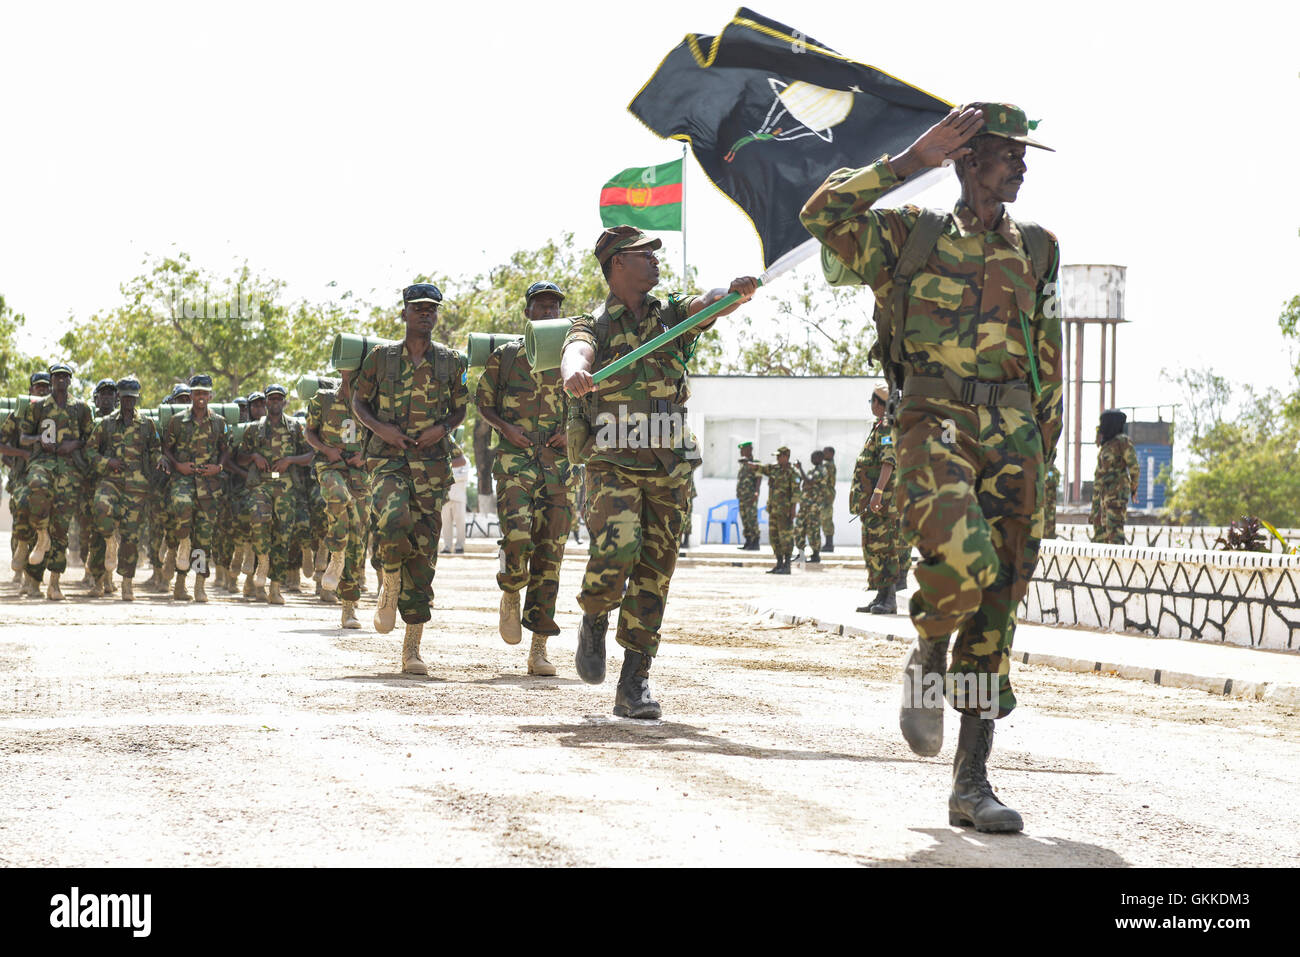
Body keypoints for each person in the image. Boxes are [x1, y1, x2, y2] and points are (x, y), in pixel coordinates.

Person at [802, 103, 1062, 832]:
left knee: (998, 599)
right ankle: (926, 646)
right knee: (961, 559)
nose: (1021, 165)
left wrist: (1048, 447)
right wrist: (907, 161)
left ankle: (972, 782)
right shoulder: (907, 236)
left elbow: (1049, 358)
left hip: (1015, 433)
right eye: (1007, 152)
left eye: (1021, 154)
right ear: (966, 157)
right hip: (935, 418)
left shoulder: (1038, 249)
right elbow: (821, 215)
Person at [562, 225, 757, 718]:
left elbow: (706, 304)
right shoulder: (594, 325)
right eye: (644, 253)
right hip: (613, 462)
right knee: (617, 552)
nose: (654, 259)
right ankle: (594, 615)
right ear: (617, 264)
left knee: (655, 571)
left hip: (668, 467)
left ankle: (634, 682)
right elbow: (576, 352)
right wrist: (575, 374)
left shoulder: (668, 312)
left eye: (655, 252)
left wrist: (730, 294)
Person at [352, 282, 468, 674]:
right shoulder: (380, 359)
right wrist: (381, 430)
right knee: (392, 518)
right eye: (417, 308)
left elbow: (459, 410)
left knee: (424, 555)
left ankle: (412, 648)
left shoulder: (451, 362)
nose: (425, 314)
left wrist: (442, 430)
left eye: (431, 309)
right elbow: (358, 402)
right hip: (387, 458)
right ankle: (387, 577)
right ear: (403, 313)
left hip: (432, 465)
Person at [476, 281, 573, 675]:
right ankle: (511, 588)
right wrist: (505, 429)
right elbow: (483, 402)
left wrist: (571, 432)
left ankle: (539, 650)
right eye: (541, 306)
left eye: (554, 308)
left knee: (551, 555)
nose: (548, 312)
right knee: (516, 537)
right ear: (528, 312)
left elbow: (593, 403)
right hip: (515, 458)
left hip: (558, 466)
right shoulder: (507, 355)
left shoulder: (575, 357)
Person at [13, 363, 94, 600]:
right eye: (57, 376)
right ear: (51, 380)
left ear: (70, 381)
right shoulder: (38, 407)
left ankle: (54, 583)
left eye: (64, 377)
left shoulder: (81, 408)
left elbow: (91, 439)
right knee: (36, 490)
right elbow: (23, 437)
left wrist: (75, 444)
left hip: (69, 470)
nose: (60, 380)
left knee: (60, 528)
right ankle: (39, 539)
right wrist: (39, 437)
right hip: (42, 463)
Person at [304, 367, 370, 629]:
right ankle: (336, 553)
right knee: (337, 496)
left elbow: (380, 436)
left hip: (360, 472)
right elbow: (309, 432)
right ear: (341, 372)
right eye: (348, 372)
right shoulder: (323, 399)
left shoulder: (371, 403)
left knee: (358, 533)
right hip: (329, 466)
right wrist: (326, 450)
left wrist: (364, 457)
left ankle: (349, 607)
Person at [237, 384, 312, 604]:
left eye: (279, 399)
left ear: (285, 402)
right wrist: (254, 457)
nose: (275, 402)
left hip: (286, 487)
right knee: (259, 522)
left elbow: (310, 455)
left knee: (283, 535)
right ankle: (262, 561)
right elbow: (239, 457)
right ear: (267, 402)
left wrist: (290, 460)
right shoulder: (254, 428)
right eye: (272, 399)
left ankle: (275, 588)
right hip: (261, 484)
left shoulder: (295, 428)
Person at [85, 377, 159, 601]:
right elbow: (89, 451)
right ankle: (100, 575)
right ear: (119, 397)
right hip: (111, 481)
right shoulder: (106, 423)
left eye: (132, 398)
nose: (128, 401)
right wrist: (108, 463)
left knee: (131, 536)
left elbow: (155, 449)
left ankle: (127, 583)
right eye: (124, 397)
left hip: (137, 487)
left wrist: (160, 460)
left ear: (136, 398)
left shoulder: (147, 424)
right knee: (101, 512)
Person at [160, 374, 229, 602]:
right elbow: (166, 448)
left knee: (204, 538)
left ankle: (197, 586)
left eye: (204, 393)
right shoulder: (177, 421)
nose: (200, 397)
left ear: (210, 395)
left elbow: (225, 449)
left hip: (208, 485)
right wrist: (178, 465)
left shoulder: (218, 422)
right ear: (191, 395)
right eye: (196, 392)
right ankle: (181, 545)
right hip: (183, 480)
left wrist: (218, 467)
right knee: (182, 508)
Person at [851, 386, 906, 613]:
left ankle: (889, 599)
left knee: (884, 548)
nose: (871, 406)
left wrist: (878, 492)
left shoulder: (885, 427)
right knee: (875, 547)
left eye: (872, 401)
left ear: (878, 403)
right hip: (877, 504)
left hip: (883, 504)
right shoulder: (881, 427)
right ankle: (881, 595)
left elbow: (888, 460)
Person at [2, 372, 51, 595]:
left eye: (45, 387)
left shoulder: (56, 414)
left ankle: (34, 580)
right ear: (30, 389)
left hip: (50, 475)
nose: (42, 390)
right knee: (22, 510)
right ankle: (21, 555)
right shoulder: (18, 414)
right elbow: (2, 446)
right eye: (38, 387)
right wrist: (22, 454)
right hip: (23, 477)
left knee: (45, 522)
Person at [1091, 410, 1139, 544]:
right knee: (1100, 532)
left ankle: (1116, 564)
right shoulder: (1107, 445)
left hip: (1116, 495)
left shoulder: (1122, 442)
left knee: (1114, 532)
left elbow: (1134, 467)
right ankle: (1103, 564)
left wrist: (1133, 489)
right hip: (1102, 496)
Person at [758, 447, 800, 574]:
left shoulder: (793, 472)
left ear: (786, 456)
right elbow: (761, 469)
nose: (777, 458)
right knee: (774, 538)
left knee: (786, 538)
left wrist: (793, 511)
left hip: (785, 511)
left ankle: (787, 566)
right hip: (773, 510)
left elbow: (796, 494)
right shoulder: (774, 469)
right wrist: (751, 464)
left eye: (779, 456)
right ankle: (779, 564)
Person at [440, 442, 470, 555]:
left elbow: (464, 476)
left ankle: (460, 546)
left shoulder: (465, 461)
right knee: (446, 523)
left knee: (460, 523)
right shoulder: (446, 461)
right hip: (446, 497)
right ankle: (447, 547)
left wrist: (449, 477)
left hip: (459, 497)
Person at [794, 449, 824, 562]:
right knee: (799, 529)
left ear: (820, 459)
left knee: (813, 530)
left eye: (814, 457)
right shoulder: (812, 470)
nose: (812, 459)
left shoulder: (821, 471)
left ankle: (815, 555)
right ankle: (801, 555)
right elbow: (805, 480)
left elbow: (810, 481)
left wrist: (800, 468)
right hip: (805, 505)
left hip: (813, 506)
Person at [735, 441, 762, 550]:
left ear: (749, 450)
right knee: (744, 518)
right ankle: (748, 541)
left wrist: (756, 492)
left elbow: (759, 478)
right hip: (742, 497)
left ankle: (755, 542)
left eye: (743, 450)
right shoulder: (743, 464)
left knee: (752, 518)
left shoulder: (755, 463)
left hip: (751, 496)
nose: (741, 452)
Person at [820, 446, 837, 551]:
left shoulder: (827, 465)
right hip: (827, 494)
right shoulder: (828, 464)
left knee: (826, 519)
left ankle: (829, 544)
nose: (823, 454)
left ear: (831, 454)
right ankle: (828, 543)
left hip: (826, 495)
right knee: (825, 518)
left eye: (825, 452)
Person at [1043, 461, 1060, 539]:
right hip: (1041, 502)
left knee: (1050, 520)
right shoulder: (1042, 468)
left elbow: (1054, 482)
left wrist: (1045, 482)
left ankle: (1049, 535)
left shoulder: (1053, 470)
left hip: (1050, 502)